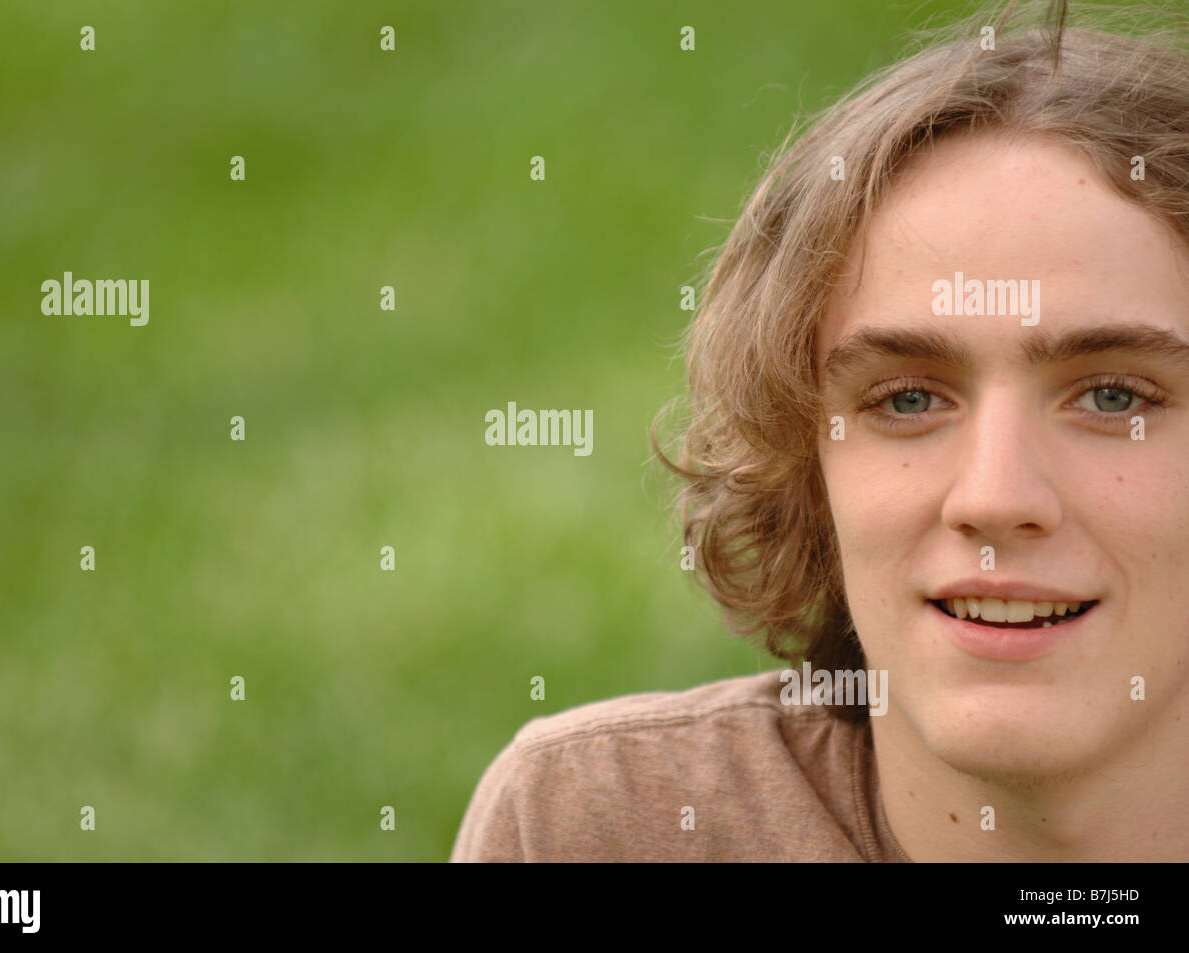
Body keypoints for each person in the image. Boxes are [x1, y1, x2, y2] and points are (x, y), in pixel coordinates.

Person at [450, 0, 1189, 861]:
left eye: (1114, 397)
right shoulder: (599, 825)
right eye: (907, 401)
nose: (996, 498)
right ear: (803, 468)